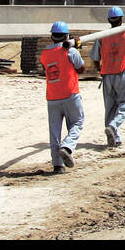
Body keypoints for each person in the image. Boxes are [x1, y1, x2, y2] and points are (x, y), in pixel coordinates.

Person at [40, 21, 85, 173]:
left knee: (54, 131)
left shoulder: (44, 54)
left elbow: (46, 68)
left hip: (52, 97)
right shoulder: (70, 52)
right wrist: (76, 49)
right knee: (77, 123)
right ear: (66, 36)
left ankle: (57, 165)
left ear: (52, 37)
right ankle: (67, 146)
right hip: (70, 94)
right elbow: (81, 69)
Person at [91, 6, 125, 147]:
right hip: (122, 72)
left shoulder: (102, 36)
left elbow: (95, 57)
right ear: (121, 19)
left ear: (108, 20)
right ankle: (113, 126)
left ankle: (114, 138)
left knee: (110, 107)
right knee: (124, 103)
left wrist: (100, 69)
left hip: (107, 75)